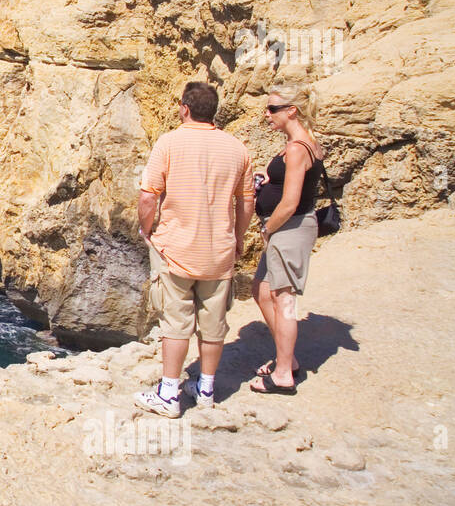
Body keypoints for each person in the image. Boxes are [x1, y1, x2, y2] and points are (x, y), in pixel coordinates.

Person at [135, 81, 256, 417]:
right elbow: (247, 201)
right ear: (213, 111)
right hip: (219, 253)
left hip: (176, 251)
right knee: (214, 323)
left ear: (184, 108)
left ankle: (170, 393)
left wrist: (147, 230)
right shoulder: (237, 148)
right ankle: (205, 389)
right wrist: (239, 238)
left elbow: (148, 196)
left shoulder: (169, 143)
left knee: (176, 322)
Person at [250, 82, 325, 394]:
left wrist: (268, 229)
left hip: (290, 228)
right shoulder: (300, 144)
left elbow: (291, 201)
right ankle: (287, 357)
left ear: (291, 111)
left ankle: (283, 374)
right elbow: (288, 186)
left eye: (272, 109)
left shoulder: (296, 149)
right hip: (288, 228)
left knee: (284, 300)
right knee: (261, 290)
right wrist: (268, 183)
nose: (267, 114)